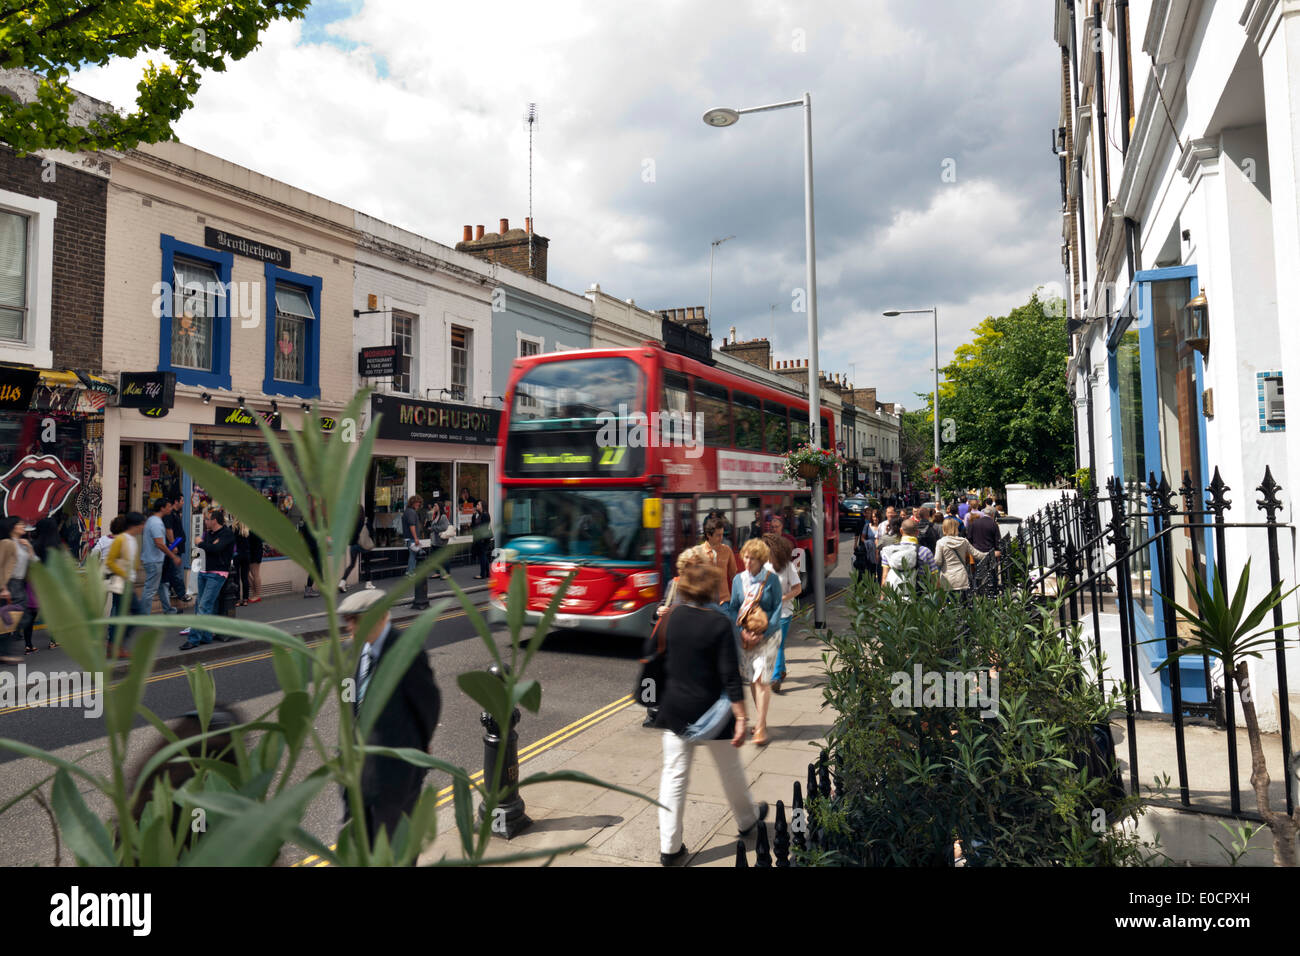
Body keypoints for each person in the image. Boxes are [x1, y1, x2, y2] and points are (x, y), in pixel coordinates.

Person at [652, 561, 766, 866]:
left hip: (675, 709)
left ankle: (669, 848)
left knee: (673, 777)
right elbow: (730, 676)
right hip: (715, 713)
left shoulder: (672, 618)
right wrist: (742, 718)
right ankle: (747, 820)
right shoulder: (718, 624)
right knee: (730, 771)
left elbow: (660, 658)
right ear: (712, 589)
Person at [340, 586, 441, 848]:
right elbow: (348, 701)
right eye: (347, 620)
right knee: (362, 845)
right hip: (357, 771)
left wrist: (420, 746)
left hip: (396, 773)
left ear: (382, 617)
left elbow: (428, 704)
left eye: (357, 619)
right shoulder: (350, 651)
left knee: (396, 848)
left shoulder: (406, 651)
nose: (350, 627)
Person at [727, 537, 783, 747]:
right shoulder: (738, 580)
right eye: (746, 558)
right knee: (752, 679)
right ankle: (762, 721)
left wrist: (764, 631)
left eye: (752, 559)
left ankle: (760, 728)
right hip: (747, 638)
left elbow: (778, 608)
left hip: (768, 636)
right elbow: (733, 608)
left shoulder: (771, 580)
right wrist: (741, 632)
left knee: (762, 678)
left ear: (761, 560)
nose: (747, 562)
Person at [181, 509, 235, 650]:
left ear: (214, 520)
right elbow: (209, 549)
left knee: (204, 605)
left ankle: (193, 639)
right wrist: (206, 545)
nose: (205, 522)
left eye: (207, 519)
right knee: (202, 604)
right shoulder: (210, 534)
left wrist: (201, 543)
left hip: (217, 574)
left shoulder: (226, 534)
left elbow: (216, 549)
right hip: (204, 571)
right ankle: (205, 637)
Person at [763, 533, 802, 695]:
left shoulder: (788, 567)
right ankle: (782, 669)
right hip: (767, 613)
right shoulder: (763, 567)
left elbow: (798, 589)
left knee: (777, 644)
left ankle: (776, 677)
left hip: (784, 612)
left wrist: (782, 598)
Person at [104, 512, 145, 657]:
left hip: (128, 582)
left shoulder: (133, 540)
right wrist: (124, 574)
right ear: (135, 525)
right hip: (122, 583)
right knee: (137, 613)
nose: (143, 527)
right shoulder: (121, 539)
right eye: (142, 524)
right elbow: (109, 561)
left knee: (124, 615)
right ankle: (115, 645)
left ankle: (114, 645)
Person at [22, 517, 63, 653]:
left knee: (31, 615)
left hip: (34, 583)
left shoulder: (34, 545)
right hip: (50, 584)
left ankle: (28, 644)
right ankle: (53, 640)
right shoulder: (56, 546)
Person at [0, 518, 37, 663]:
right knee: (9, 618)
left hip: (20, 584)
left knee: (18, 617)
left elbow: (35, 562)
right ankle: (4, 653)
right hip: (9, 584)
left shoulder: (22, 544)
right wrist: (3, 587)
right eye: (20, 524)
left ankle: (4, 651)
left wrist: (29, 547)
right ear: (12, 527)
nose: (23, 526)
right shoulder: (7, 543)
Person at [139, 498, 180, 619]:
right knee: (150, 589)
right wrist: (173, 556)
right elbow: (159, 543)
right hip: (154, 560)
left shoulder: (152, 520)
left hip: (153, 559)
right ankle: (143, 616)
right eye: (168, 506)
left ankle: (168, 609)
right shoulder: (156, 522)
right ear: (162, 508)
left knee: (162, 585)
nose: (171, 508)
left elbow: (158, 542)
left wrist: (170, 548)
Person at [880, 517, 937, 595]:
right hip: (919, 597)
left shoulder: (888, 551)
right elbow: (934, 579)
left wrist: (882, 599)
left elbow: (884, 577)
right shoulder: (925, 551)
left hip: (895, 598)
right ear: (917, 532)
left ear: (901, 531)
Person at [934, 517, 989, 596]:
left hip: (947, 578)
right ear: (956, 528)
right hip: (961, 577)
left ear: (944, 528)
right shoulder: (963, 541)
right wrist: (990, 554)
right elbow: (977, 554)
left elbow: (938, 561)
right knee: (962, 603)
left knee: (950, 605)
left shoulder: (940, 543)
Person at [161, 491, 191, 605]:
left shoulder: (176, 514)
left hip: (178, 547)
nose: (183, 503)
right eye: (182, 500)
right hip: (174, 548)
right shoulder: (170, 514)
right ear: (176, 501)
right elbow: (169, 530)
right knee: (176, 572)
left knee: (173, 571)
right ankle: (181, 593)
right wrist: (173, 545)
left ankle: (172, 591)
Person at [701, 514, 737, 603]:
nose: (721, 538)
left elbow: (734, 576)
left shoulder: (727, 550)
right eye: (718, 535)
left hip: (724, 601)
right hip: (706, 602)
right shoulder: (699, 552)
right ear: (708, 535)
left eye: (722, 534)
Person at [340, 504, 368, 592]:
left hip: (352, 545)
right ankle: (368, 583)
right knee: (367, 562)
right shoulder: (362, 521)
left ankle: (342, 582)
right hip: (361, 544)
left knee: (352, 565)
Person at [853, 512, 879, 585]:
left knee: (878, 571)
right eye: (874, 517)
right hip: (868, 552)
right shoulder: (867, 526)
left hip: (879, 551)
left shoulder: (882, 526)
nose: (875, 518)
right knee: (869, 570)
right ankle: (868, 587)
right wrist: (869, 542)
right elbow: (862, 538)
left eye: (877, 517)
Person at [427, 502, 451, 579]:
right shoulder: (435, 515)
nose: (434, 506)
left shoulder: (443, 516)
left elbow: (444, 527)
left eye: (435, 505)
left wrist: (433, 528)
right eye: (434, 505)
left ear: (439, 507)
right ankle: (437, 572)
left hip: (441, 541)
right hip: (435, 540)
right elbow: (432, 525)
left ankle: (447, 573)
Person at [470, 499, 493, 579]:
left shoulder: (485, 515)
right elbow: (473, 527)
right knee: (483, 555)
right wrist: (473, 516)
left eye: (478, 505)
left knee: (482, 555)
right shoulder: (479, 515)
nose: (477, 506)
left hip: (483, 539)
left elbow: (483, 528)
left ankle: (482, 574)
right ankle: (487, 573)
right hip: (479, 538)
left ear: (482, 506)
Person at [403, 494, 424, 577]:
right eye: (418, 503)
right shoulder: (411, 512)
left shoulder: (408, 511)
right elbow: (412, 526)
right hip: (411, 537)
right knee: (413, 555)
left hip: (409, 537)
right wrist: (415, 538)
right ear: (414, 503)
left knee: (412, 554)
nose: (419, 505)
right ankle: (411, 572)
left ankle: (409, 571)